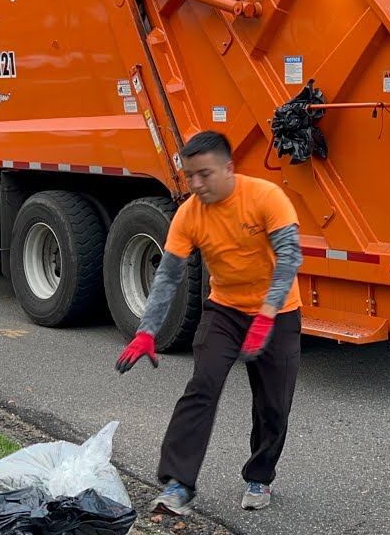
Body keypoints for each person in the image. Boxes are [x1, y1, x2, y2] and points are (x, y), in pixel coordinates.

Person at [115, 130, 304, 515]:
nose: (196, 184)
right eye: (189, 176)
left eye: (204, 174)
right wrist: (146, 331)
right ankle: (178, 484)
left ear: (228, 168)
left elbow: (289, 258)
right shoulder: (189, 214)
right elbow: (168, 276)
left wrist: (266, 316)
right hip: (225, 310)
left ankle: (260, 475)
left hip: (278, 311)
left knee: (273, 403)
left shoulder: (266, 197)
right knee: (202, 385)